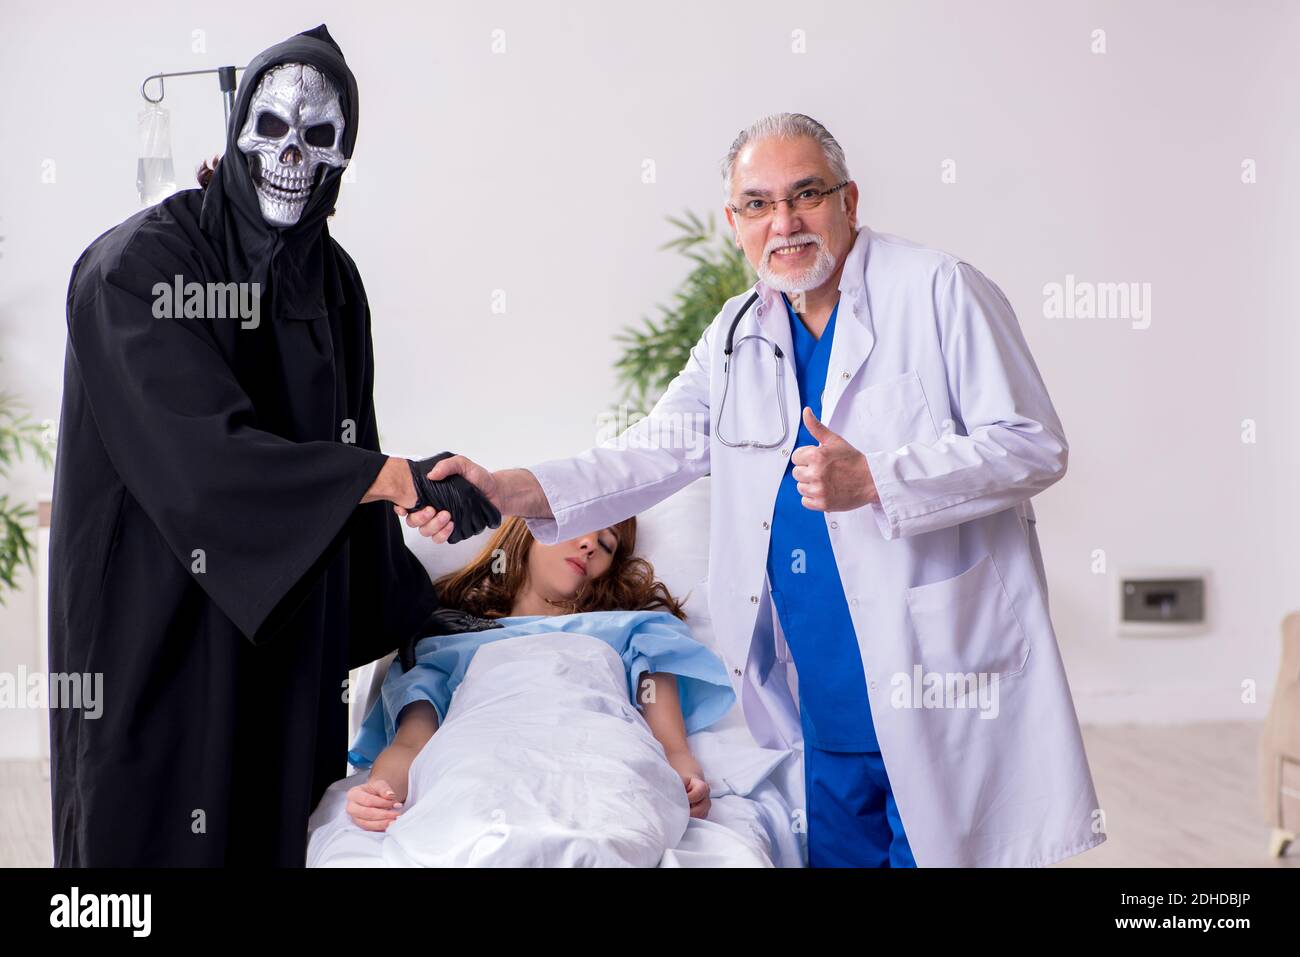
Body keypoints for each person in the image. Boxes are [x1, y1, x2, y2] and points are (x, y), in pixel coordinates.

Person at [405, 113, 1106, 868]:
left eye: (806, 194)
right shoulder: (738, 333)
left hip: (939, 683)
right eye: (759, 204)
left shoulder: (937, 289)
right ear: (734, 221)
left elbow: (1034, 443)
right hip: (826, 702)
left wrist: (878, 476)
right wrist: (510, 488)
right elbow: (650, 452)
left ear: (850, 201)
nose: (785, 222)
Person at [48, 24, 494, 867]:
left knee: (279, 826)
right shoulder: (135, 268)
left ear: (342, 155)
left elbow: (352, 443)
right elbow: (202, 461)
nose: (292, 154)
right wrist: (392, 478)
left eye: (319, 136)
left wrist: (411, 571)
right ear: (238, 129)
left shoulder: (334, 278)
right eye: (273, 127)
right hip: (159, 624)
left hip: (288, 635)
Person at [344, 516, 731, 833]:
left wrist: (688, 783)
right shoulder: (446, 637)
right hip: (482, 760)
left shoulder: (637, 632)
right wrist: (379, 794)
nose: (590, 545)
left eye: (608, 545)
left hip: (602, 760)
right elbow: (412, 744)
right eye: (576, 524)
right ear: (526, 528)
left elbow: (671, 744)